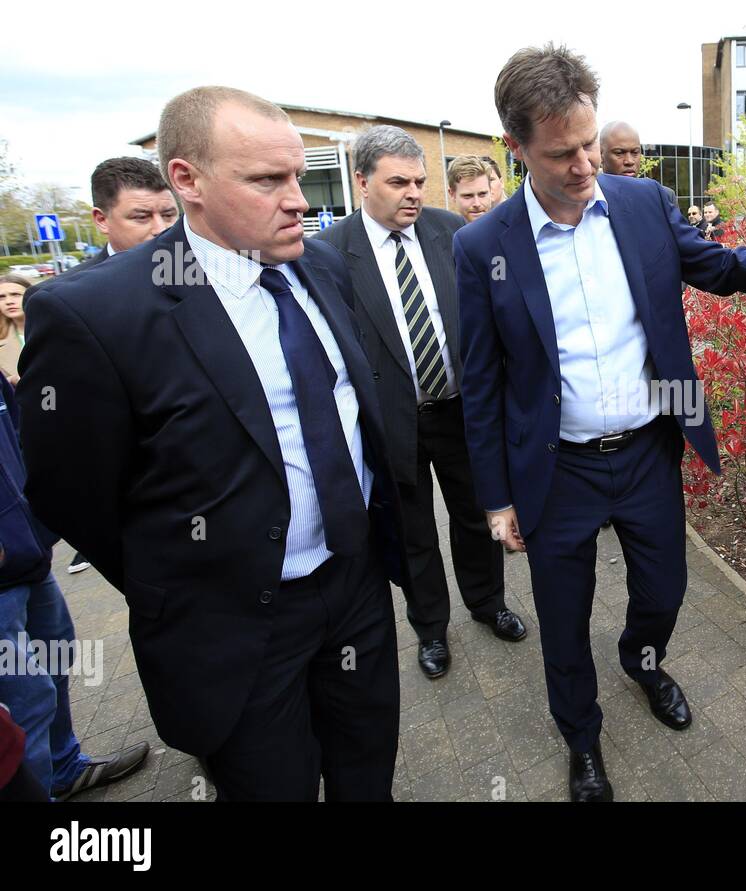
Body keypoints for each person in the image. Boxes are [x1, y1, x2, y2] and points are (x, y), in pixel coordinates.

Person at [454, 43, 746, 801]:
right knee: (563, 624)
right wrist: (495, 498)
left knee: (664, 592)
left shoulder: (641, 206)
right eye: (561, 152)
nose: (584, 165)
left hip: (647, 451)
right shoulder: (483, 248)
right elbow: (482, 382)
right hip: (557, 470)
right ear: (516, 148)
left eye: (589, 143)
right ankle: (582, 740)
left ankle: (642, 660)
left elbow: (728, 271)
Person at [17, 86, 410, 801]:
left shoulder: (319, 267)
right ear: (186, 180)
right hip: (233, 630)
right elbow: (72, 494)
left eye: (297, 175)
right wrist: (186, 580)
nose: (297, 198)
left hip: (353, 590)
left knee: (368, 773)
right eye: (267, 180)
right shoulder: (94, 314)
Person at [318, 126, 525, 683]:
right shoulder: (332, 254)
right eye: (398, 182)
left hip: (460, 411)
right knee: (412, 532)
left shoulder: (450, 230)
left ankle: (487, 604)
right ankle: (430, 628)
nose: (413, 193)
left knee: (475, 514)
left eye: (420, 182)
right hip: (391, 421)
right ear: (362, 182)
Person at [0, 374, 152, 800]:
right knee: (26, 699)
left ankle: (63, 766)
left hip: (28, 557)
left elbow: (19, 440)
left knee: (57, 651)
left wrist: (39, 522)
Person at [26, 156, 180, 577]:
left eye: (169, 213)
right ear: (101, 219)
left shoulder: (208, 277)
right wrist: (137, 571)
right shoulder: (64, 304)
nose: (160, 228)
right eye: (141, 216)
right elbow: (65, 467)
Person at [445, 155, 496, 224]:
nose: (477, 204)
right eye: (468, 196)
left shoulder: (510, 231)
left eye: (482, 194)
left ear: (490, 191)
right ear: (452, 195)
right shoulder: (444, 232)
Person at [0, 274, 30, 385]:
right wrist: (11, 381)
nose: (8, 301)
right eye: (1, 297)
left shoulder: (56, 329)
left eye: (15, 294)